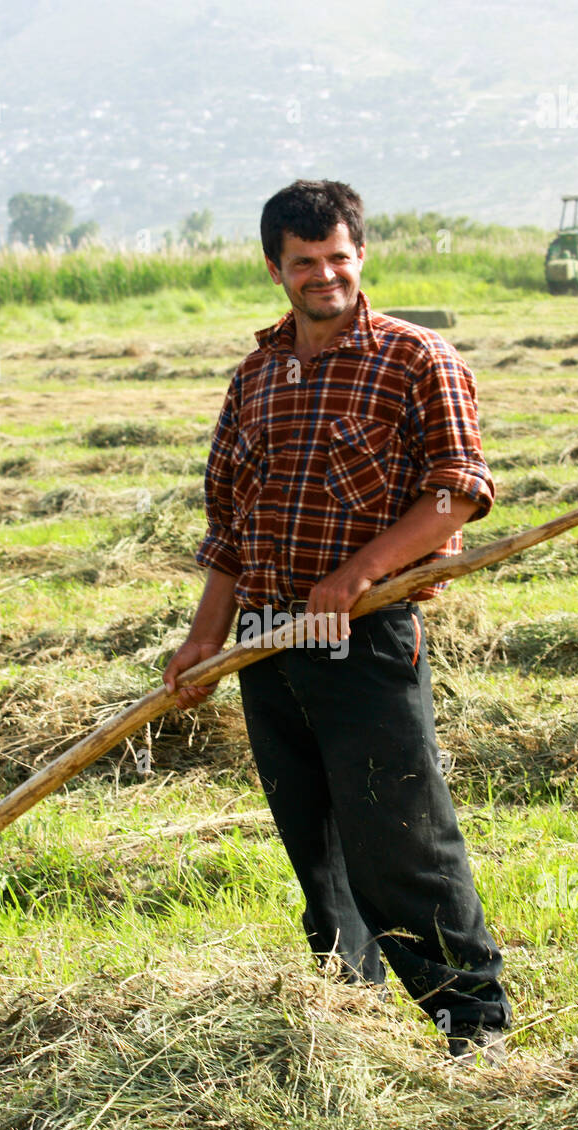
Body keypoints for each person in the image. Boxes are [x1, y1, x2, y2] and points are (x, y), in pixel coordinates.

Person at [163, 179, 512, 1066]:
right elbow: (230, 529)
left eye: (339, 258)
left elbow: (456, 495)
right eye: (305, 262)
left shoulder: (414, 358)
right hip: (266, 646)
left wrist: (354, 577)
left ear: (362, 256)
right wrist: (206, 639)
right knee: (312, 842)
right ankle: (339, 1020)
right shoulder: (257, 376)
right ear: (276, 268)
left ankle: (476, 1030)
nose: (326, 276)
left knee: (399, 837)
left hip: (362, 640)